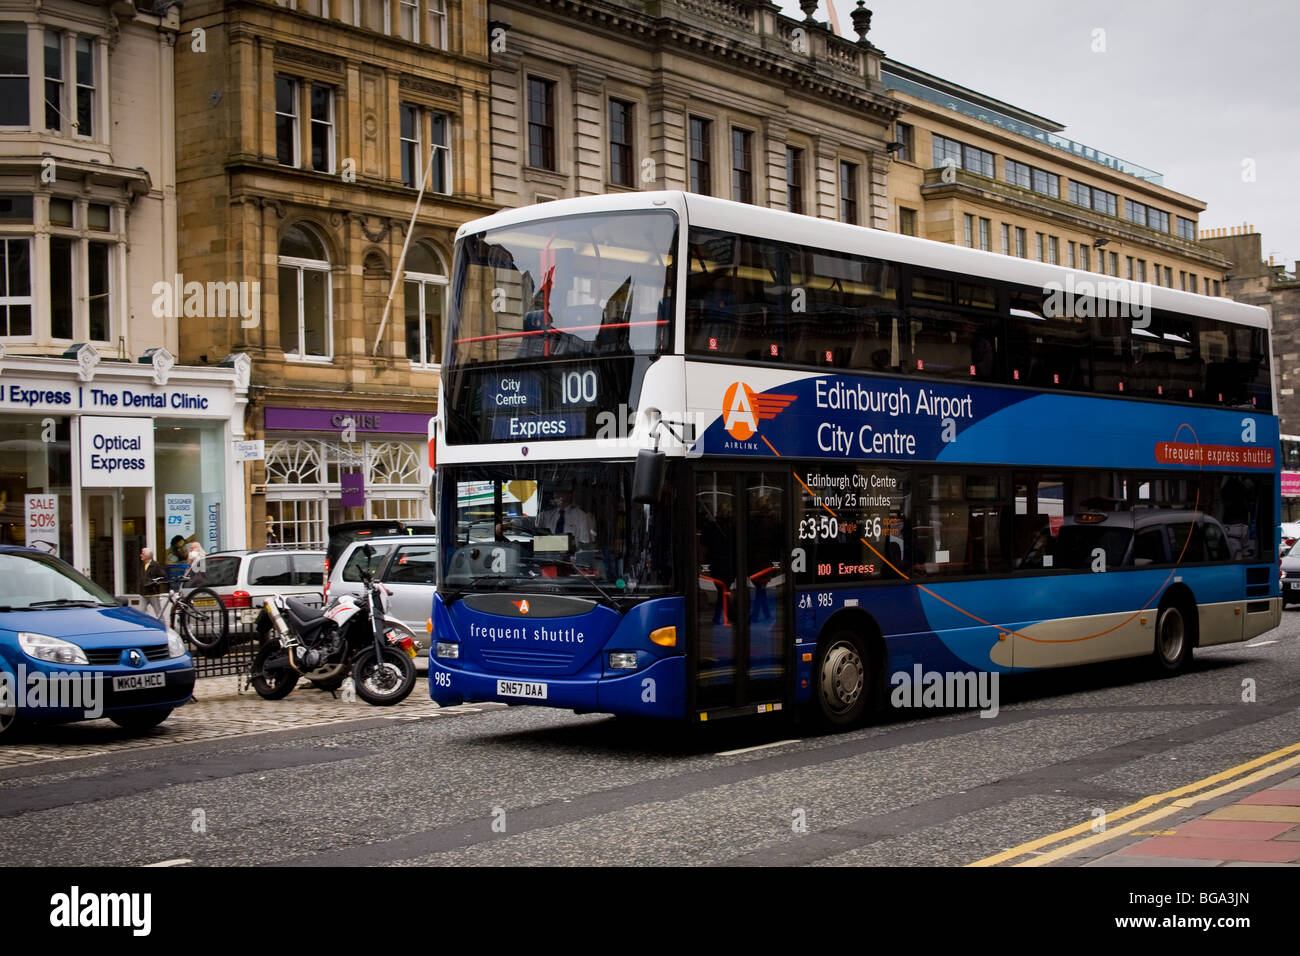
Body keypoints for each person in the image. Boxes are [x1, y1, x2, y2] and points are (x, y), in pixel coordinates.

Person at [140, 548, 167, 618]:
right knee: (141, 612)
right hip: (144, 593)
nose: (141, 555)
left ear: (147, 556)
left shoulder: (156, 565)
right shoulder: (142, 565)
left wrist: (153, 582)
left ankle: (163, 626)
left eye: (142, 554)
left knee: (158, 612)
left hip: (153, 593)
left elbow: (163, 576)